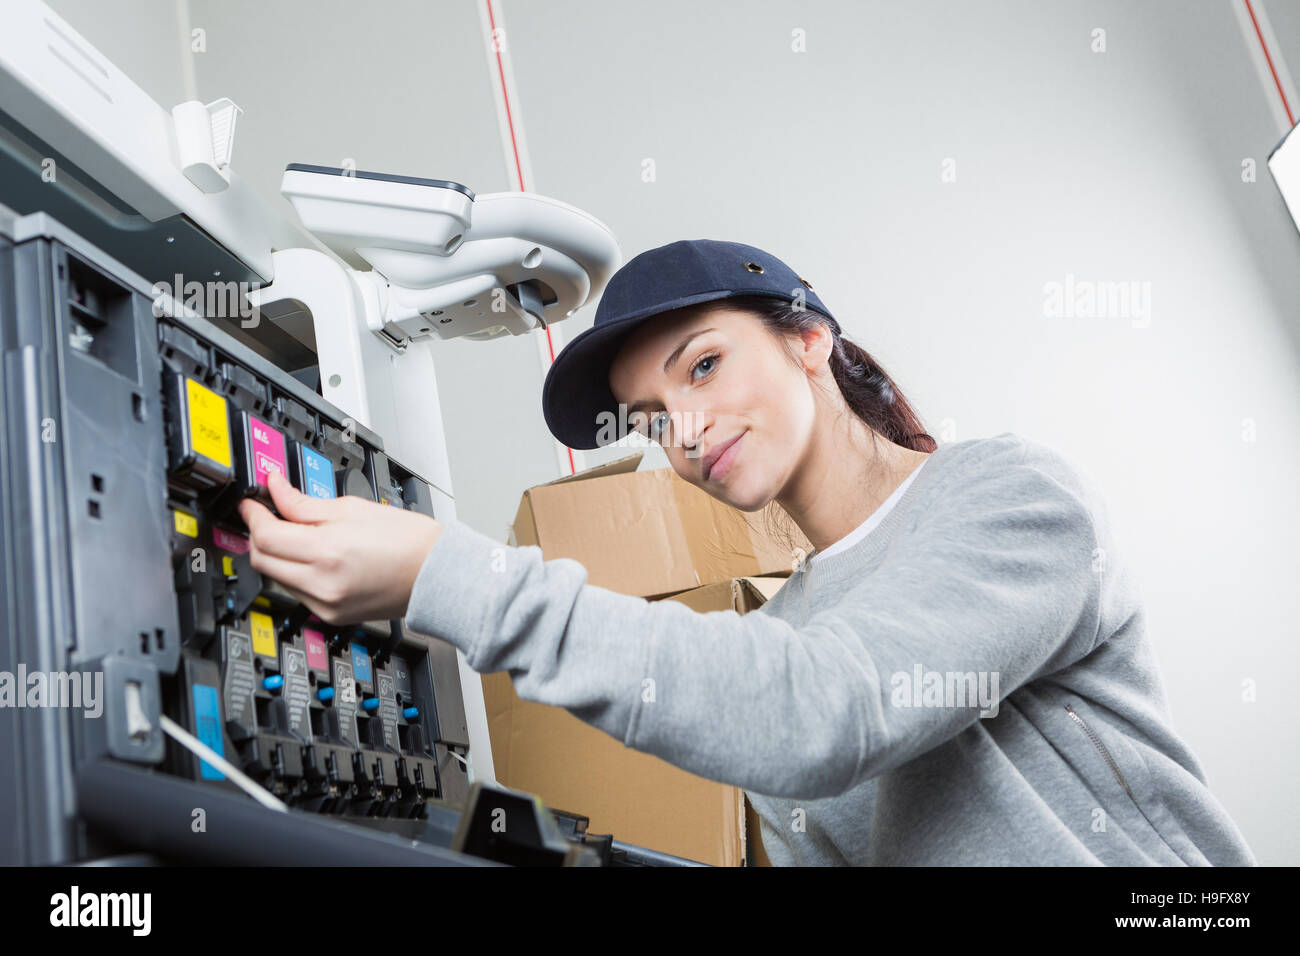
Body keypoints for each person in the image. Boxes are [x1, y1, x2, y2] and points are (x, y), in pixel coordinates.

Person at [238, 239, 1256, 866]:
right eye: (649, 417)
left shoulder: (1009, 496)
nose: (682, 431)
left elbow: (828, 710)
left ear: (808, 338)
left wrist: (445, 574)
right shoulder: (779, 635)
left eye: (706, 365)